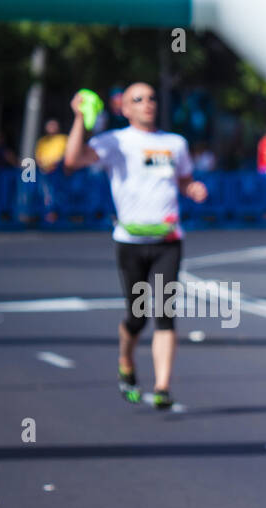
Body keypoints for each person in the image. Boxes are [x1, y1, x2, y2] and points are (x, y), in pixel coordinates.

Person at [63, 82, 208, 409]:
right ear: (124, 109)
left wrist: (193, 188)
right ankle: (126, 360)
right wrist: (78, 120)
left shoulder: (175, 143)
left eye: (152, 98)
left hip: (168, 241)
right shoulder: (115, 142)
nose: (147, 104)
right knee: (137, 316)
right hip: (130, 241)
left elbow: (184, 179)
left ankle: (162, 386)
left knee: (165, 314)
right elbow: (72, 160)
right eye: (137, 100)